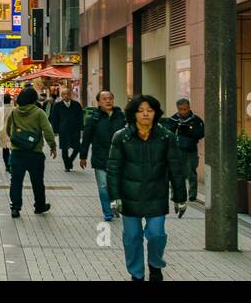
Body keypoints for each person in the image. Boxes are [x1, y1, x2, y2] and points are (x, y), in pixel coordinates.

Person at [108, 94, 188, 281]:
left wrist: (180, 197)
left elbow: (176, 169)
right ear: (133, 114)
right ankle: (136, 274)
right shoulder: (122, 137)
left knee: (156, 234)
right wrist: (114, 196)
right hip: (129, 197)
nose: (145, 114)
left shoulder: (166, 137)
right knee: (132, 238)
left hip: (156, 195)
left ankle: (155, 264)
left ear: (156, 113)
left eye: (150, 110)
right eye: (141, 110)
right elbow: (113, 169)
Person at [6, 85, 56, 217]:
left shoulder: (14, 112)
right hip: (35, 153)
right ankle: (39, 206)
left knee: (16, 181)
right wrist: (53, 146)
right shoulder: (39, 112)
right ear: (34, 99)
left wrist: (14, 139)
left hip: (17, 152)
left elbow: (8, 128)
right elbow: (48, 130)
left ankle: (15, 207)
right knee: (37, 181)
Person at [80, 89, 128, 221]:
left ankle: (115, 204)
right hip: (100, 157)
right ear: (99, 102)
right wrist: (82, 156)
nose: (108, 101)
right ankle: (108, 212)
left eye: (110, 98)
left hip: (120, 158)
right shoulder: (94, 119)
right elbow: (87, 138)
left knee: (118, 185)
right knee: (103, 187)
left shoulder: (122, 117)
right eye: (104, 99)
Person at [162, 98, 205, 202]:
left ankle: (192, 195)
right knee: (175, 172)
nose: (183, 112)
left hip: (191, 150)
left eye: (185, 109)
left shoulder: (196, 120)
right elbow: (167, 134)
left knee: (191, 173)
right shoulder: (173, 119)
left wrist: (188, 131)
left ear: (189, 108)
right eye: (180, 109)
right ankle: (175, 194)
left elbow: (201, 134)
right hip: (176, 150)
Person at [49, 85, 85, 171]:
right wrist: (55, 130)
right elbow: (54, 119)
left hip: (75, 130)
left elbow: (80, 117)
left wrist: (81, 129)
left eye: (68, 94)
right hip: (63, 130)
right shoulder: (57, 106)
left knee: (77, 148)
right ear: (61, 96)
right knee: (64, 149)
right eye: (64, 94)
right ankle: (67, 166)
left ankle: (70, 161)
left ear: (71, 95)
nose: (66, 96)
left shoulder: (77, 105)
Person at [0, 93, 15, 174]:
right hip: (13, 132)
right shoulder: (14, 109)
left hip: (3, 132)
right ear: (10, 100)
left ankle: (7, 166)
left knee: (5, 150)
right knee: (13, 149)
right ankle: (11, 164)